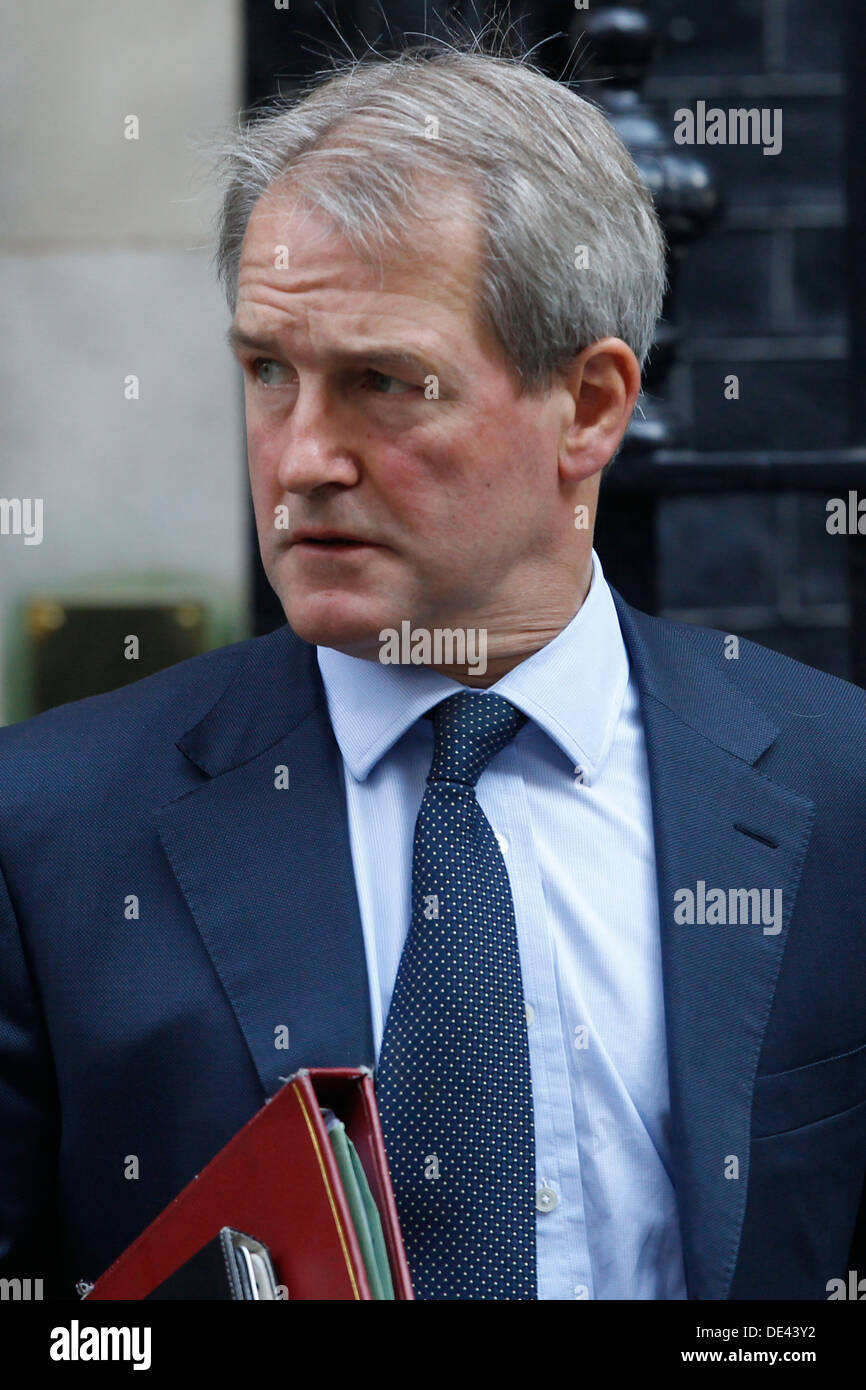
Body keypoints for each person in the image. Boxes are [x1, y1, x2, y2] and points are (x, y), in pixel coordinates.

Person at [1, 46, 864, 1302]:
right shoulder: (50, 832)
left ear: (589, 407)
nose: (300, 458)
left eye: (380, 384)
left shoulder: (835, 791)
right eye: (266, 373)